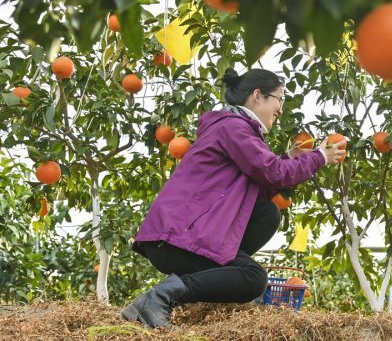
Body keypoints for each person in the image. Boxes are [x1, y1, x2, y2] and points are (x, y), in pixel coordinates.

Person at [121, 68, 345, 329]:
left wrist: (291, 161)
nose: (281, 109)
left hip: (184, 235)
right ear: (257, 96)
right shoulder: (234, 128)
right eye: (280, 99)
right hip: (175, 238)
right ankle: (159, 297)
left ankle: (211, 280)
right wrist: (318, 157)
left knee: (267, 213)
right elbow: (273, 173)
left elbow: (259, 187)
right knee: (252, 277)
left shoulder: (236, 129)